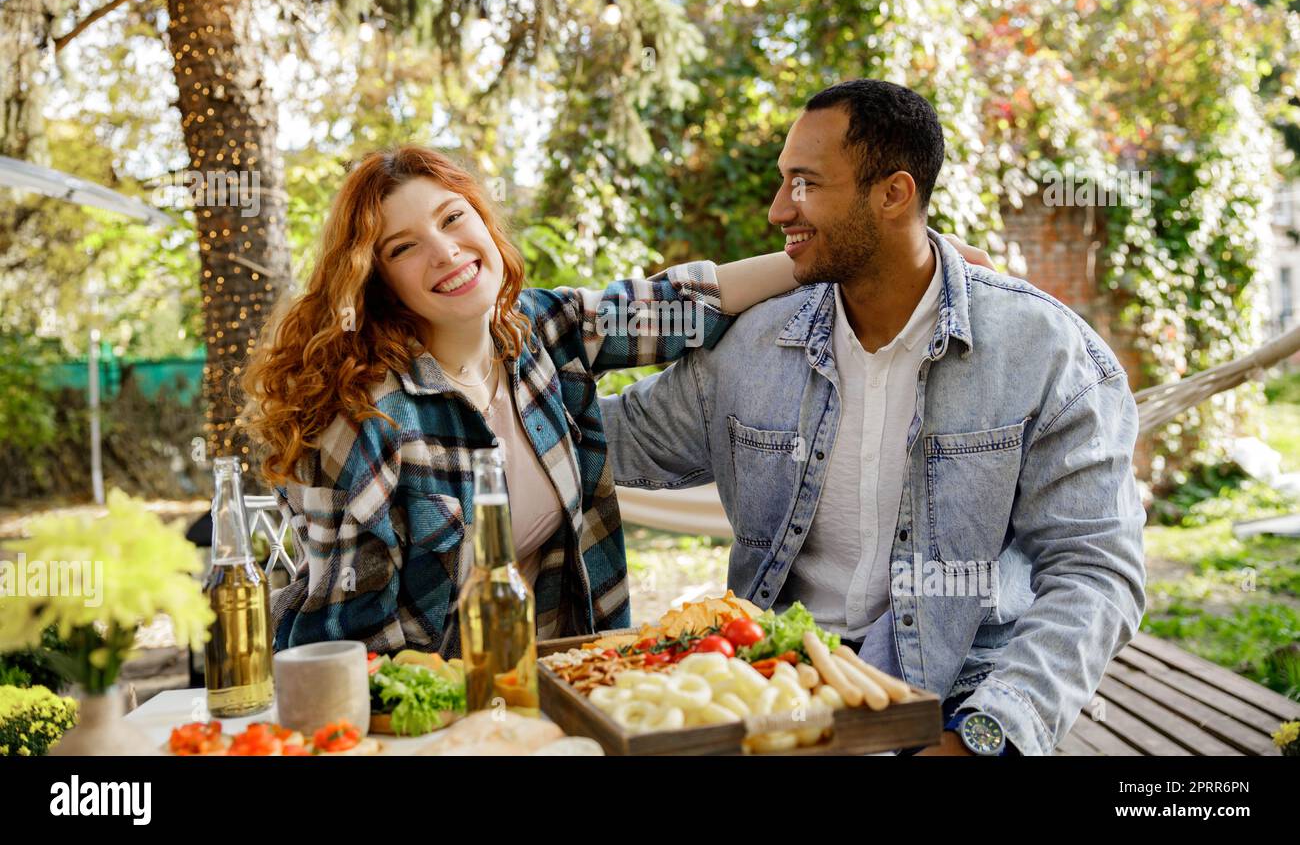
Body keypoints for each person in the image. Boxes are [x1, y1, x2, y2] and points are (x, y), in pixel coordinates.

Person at [600, 79, 1147, 756]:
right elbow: (598, 441)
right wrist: (486, 342)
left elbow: (1096, 570)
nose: (778, 210)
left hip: (959, 702)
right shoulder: (749, 349)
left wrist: (983, 735)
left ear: (894, 193)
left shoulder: (1044, 351)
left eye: (804, 184)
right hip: (778, 695)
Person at [241, 144, 801, 655]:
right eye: (404, 247)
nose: (444, 251)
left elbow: (682, 303)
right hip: (434, 715)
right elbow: (345, 641)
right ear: (380, 281)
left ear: (483, 220)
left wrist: (818, 259)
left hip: (568, 676)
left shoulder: (536, 330)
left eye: (452, 218)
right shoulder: (366, 418)